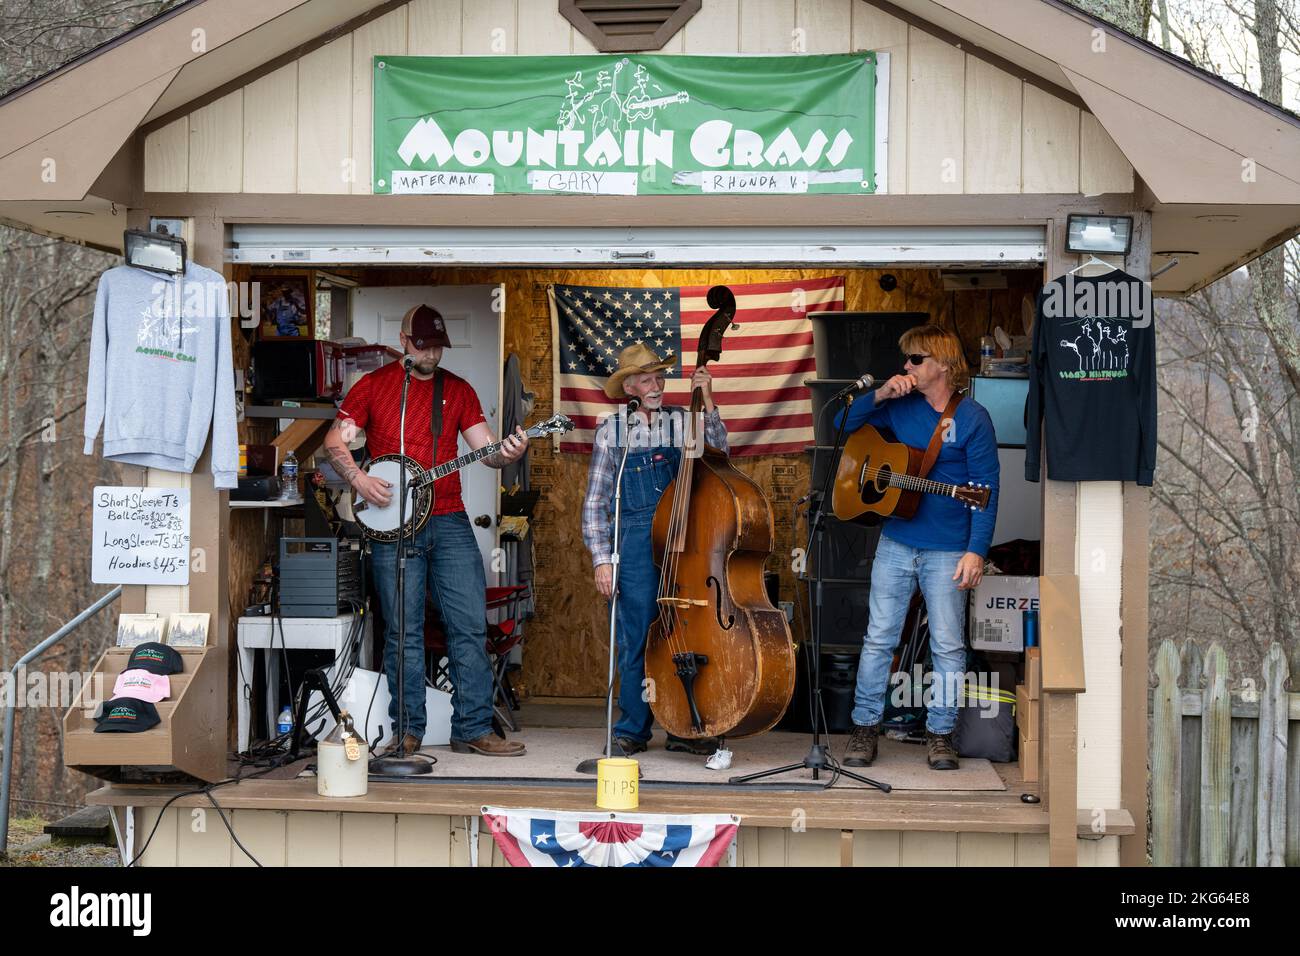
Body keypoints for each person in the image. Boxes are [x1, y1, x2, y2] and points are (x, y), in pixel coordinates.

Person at [322, 304, 529, 757]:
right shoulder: (374, 386)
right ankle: (409, 730)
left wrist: (507, 453)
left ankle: (472, 728)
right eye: (423, 345)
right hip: (393, 525)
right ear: (403, 340)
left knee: (469, 625)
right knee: (403, 631)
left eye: (438, 346)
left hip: (449, 517)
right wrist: (358, 479)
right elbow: (336, 440)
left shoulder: (457, 390)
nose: (432, 355)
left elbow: (487, 453)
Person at [836, 325, 1000, 771]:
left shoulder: (972, 419)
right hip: (896, 541)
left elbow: (986, 489)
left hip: (948, 548)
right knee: (878, 640)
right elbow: (841, 425)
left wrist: (976, 550)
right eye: (905, 359)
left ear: (942, 364)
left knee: (947, 646)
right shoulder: (899, 406)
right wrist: (882, 395)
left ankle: (941, 734)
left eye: (915, 359)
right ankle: (864, 728)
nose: (906, 366)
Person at [581, 344, 727, 757]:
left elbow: (719, 452)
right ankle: (632, 728)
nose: (656, 385)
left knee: (688, 628)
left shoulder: (683, 421)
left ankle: (686, 725)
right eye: (646, 379)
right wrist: (601, 559)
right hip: (634, 542)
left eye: (659, 377)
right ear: (628, 386)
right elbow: (596, 501)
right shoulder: (613, 431)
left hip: (684, 540)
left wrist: (709, 400)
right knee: (639, 634)